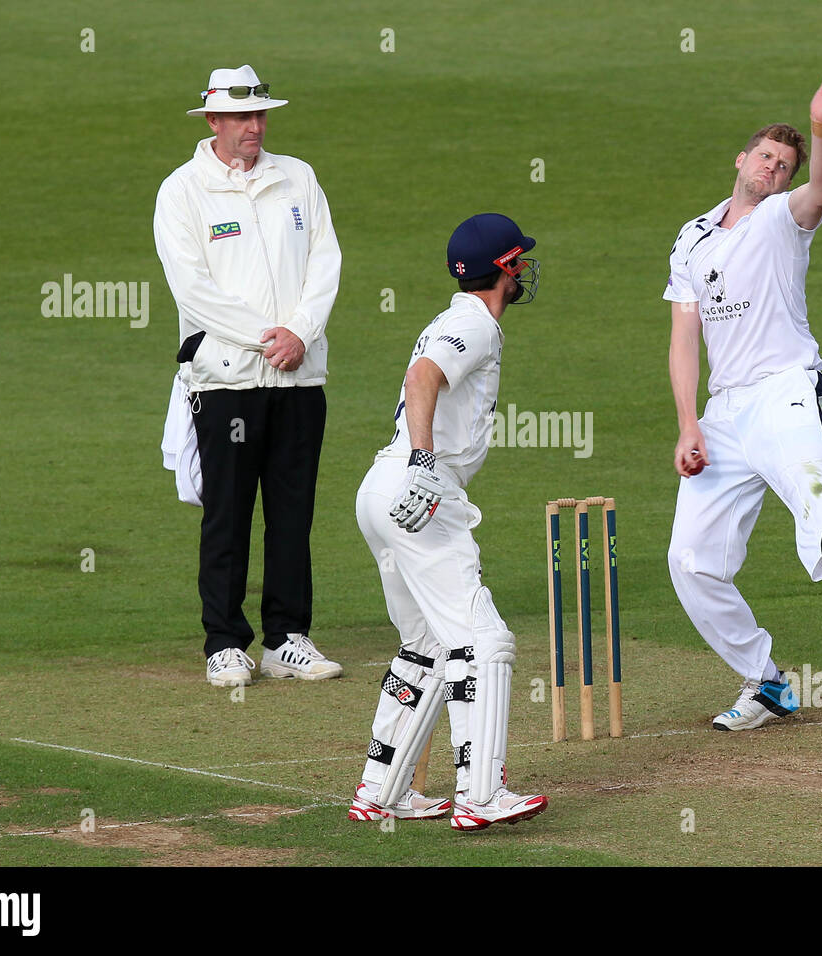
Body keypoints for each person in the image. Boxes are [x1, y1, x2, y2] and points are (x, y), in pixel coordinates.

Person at [664, 59, 822, 732]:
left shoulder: (786, 218)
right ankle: (767, 680)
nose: (774, 170)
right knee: (689, 561)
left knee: (810, 483)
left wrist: (820, 125)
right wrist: (687, 425)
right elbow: (683, 340)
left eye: (784, 163)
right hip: (723, 414)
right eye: (767, 157)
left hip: (786, 388)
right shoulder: (692, 238)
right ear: (742, 158)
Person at [347, 213, 549, 830]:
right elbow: (421, 378)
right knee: (482, 643)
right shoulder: (474, 323)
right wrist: (426, 464)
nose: (524, 274)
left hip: (383, 491)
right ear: (507, 268)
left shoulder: (457, 318)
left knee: (428, 646)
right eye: (520, 263)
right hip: (419, 490)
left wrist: (415, 466)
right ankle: (482, 795)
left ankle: (383, 791)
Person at [154, 64, 344, 687]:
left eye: (259, 115)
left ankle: (287, 637)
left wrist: (302, 333)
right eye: (240, 117)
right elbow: (195, 293)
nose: (252, 127)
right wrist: (271, 338)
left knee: (293, 510)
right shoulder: (183, 191)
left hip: (299, 377)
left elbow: (325, 262)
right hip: (228, 379)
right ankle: (224, 640)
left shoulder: (299, 177)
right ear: (213, 121)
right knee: (229, 512)